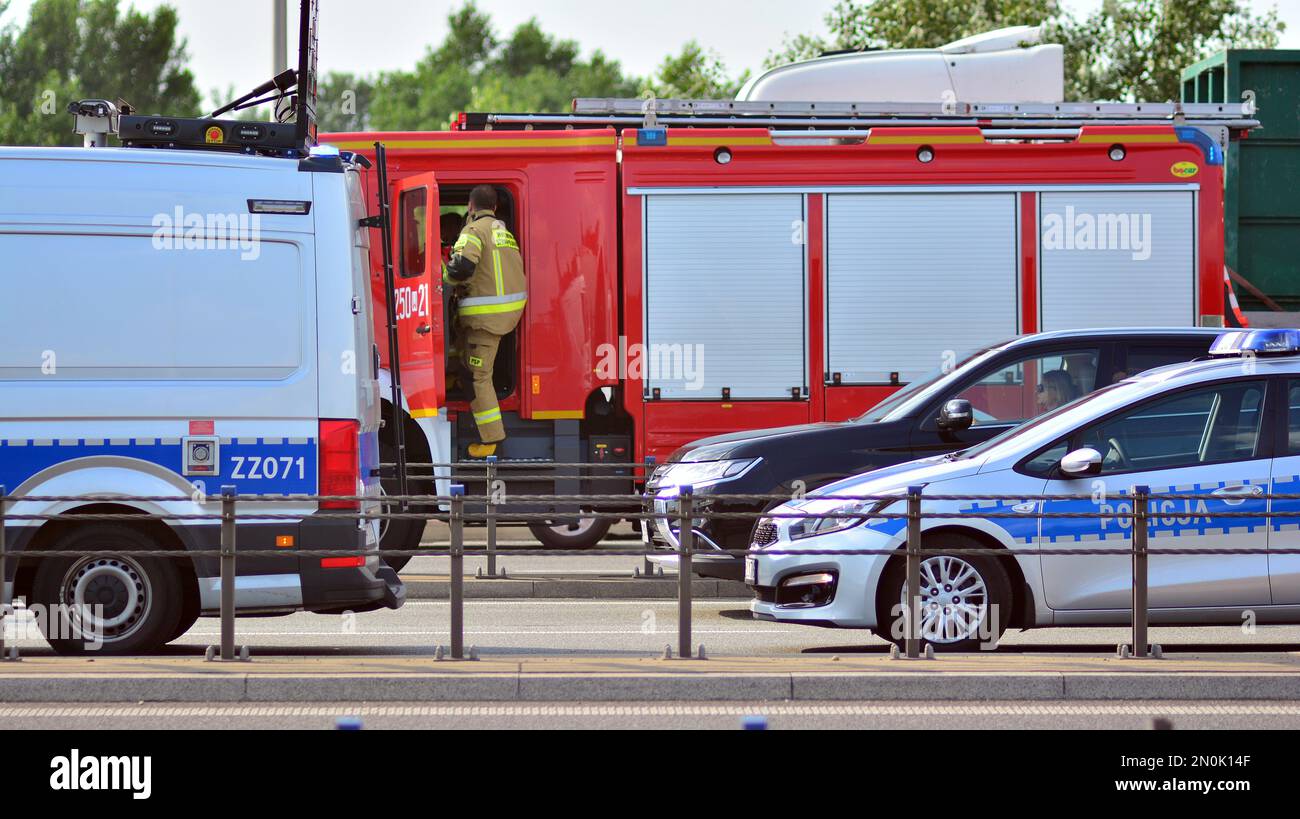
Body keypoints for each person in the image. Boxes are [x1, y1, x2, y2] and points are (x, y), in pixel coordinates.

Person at [443, 186, 527, 458]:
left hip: (487, 318)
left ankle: (492, 439)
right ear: (495, 206)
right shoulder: (503, 231)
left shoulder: (473, 231)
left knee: (478, 376)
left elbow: (462, 267)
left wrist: (441, 279)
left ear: (470, 205)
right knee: (468, 359)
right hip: (506, 312)